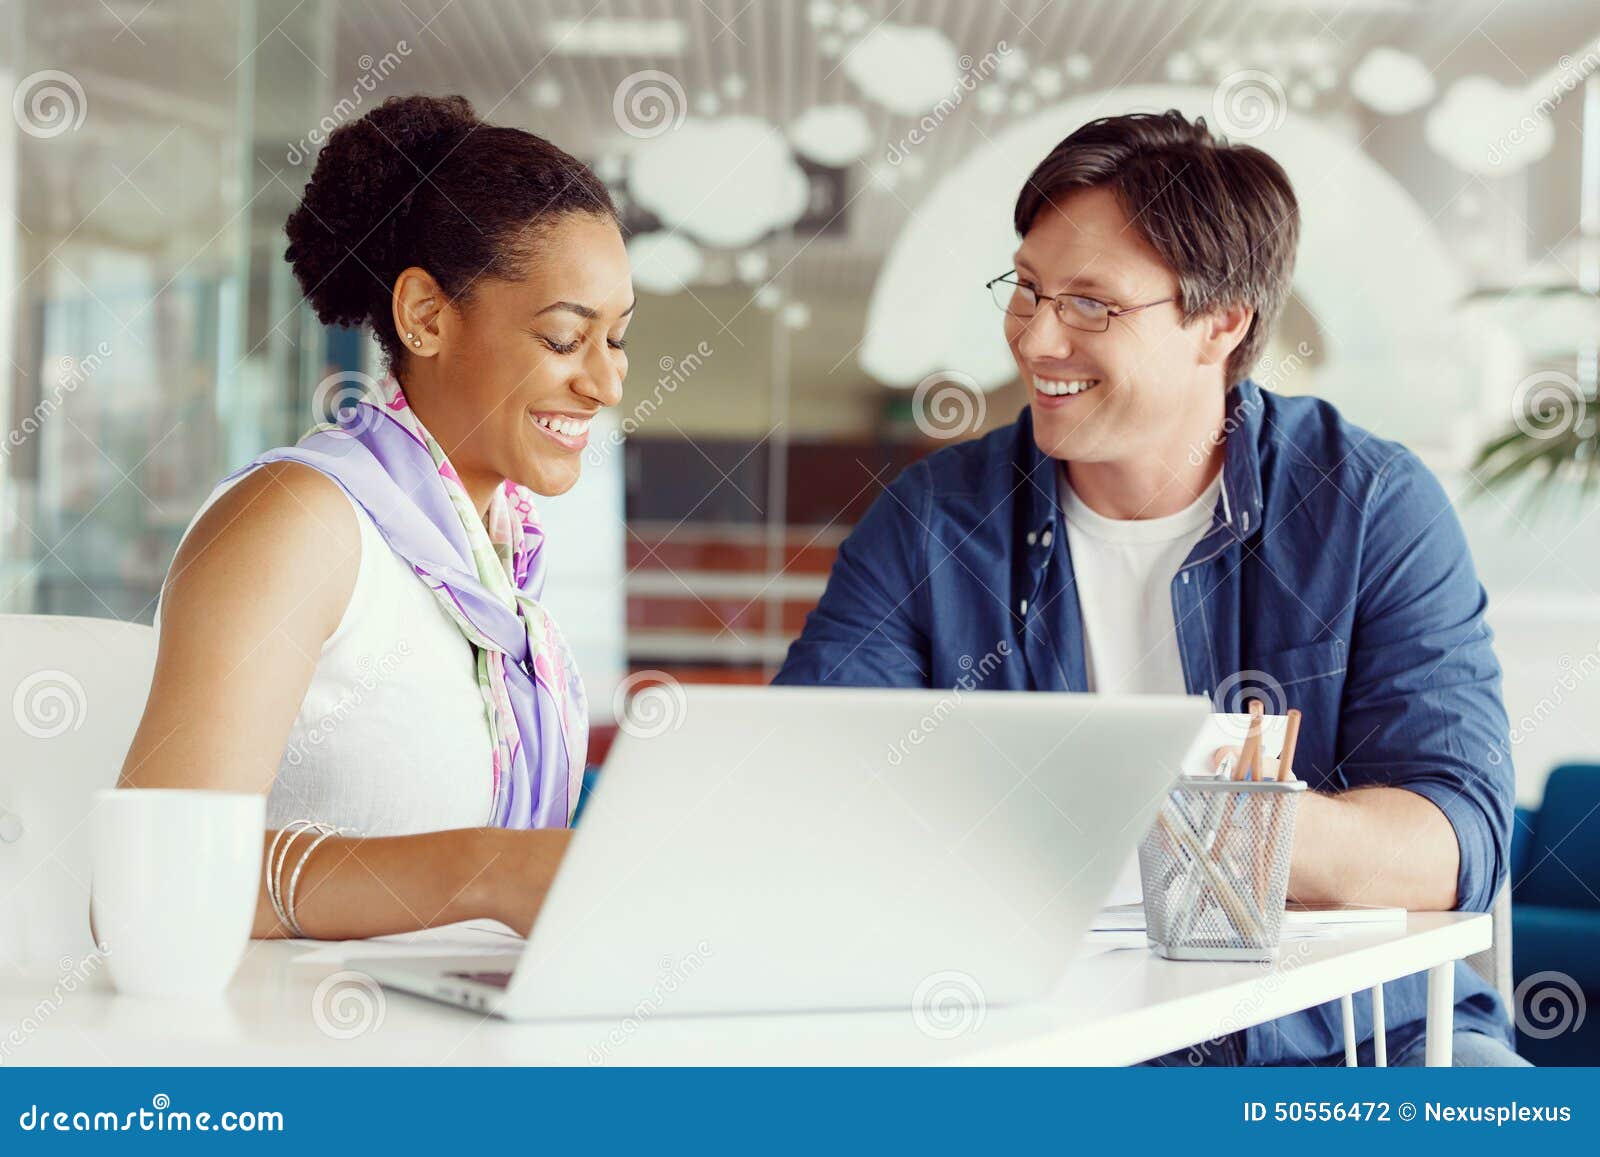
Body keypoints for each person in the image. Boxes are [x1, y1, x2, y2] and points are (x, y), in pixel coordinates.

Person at [774, 110, 1527, 1066]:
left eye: (1093, 304)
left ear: (1222, 321)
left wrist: (1184, 814)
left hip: (1353, 1038)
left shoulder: (1369, 504)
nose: (1038, 338)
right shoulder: (931, 520)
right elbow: (810, 796)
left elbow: (1453, 848)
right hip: (1045, 1036)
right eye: (1030, 289)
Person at [119, 94, 633, 941]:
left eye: (616, 338)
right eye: (562, 339)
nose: (607, 384)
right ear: (426, 316)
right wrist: (489, 870)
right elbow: (151, 883)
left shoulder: (501, 574)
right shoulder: (298, 523)